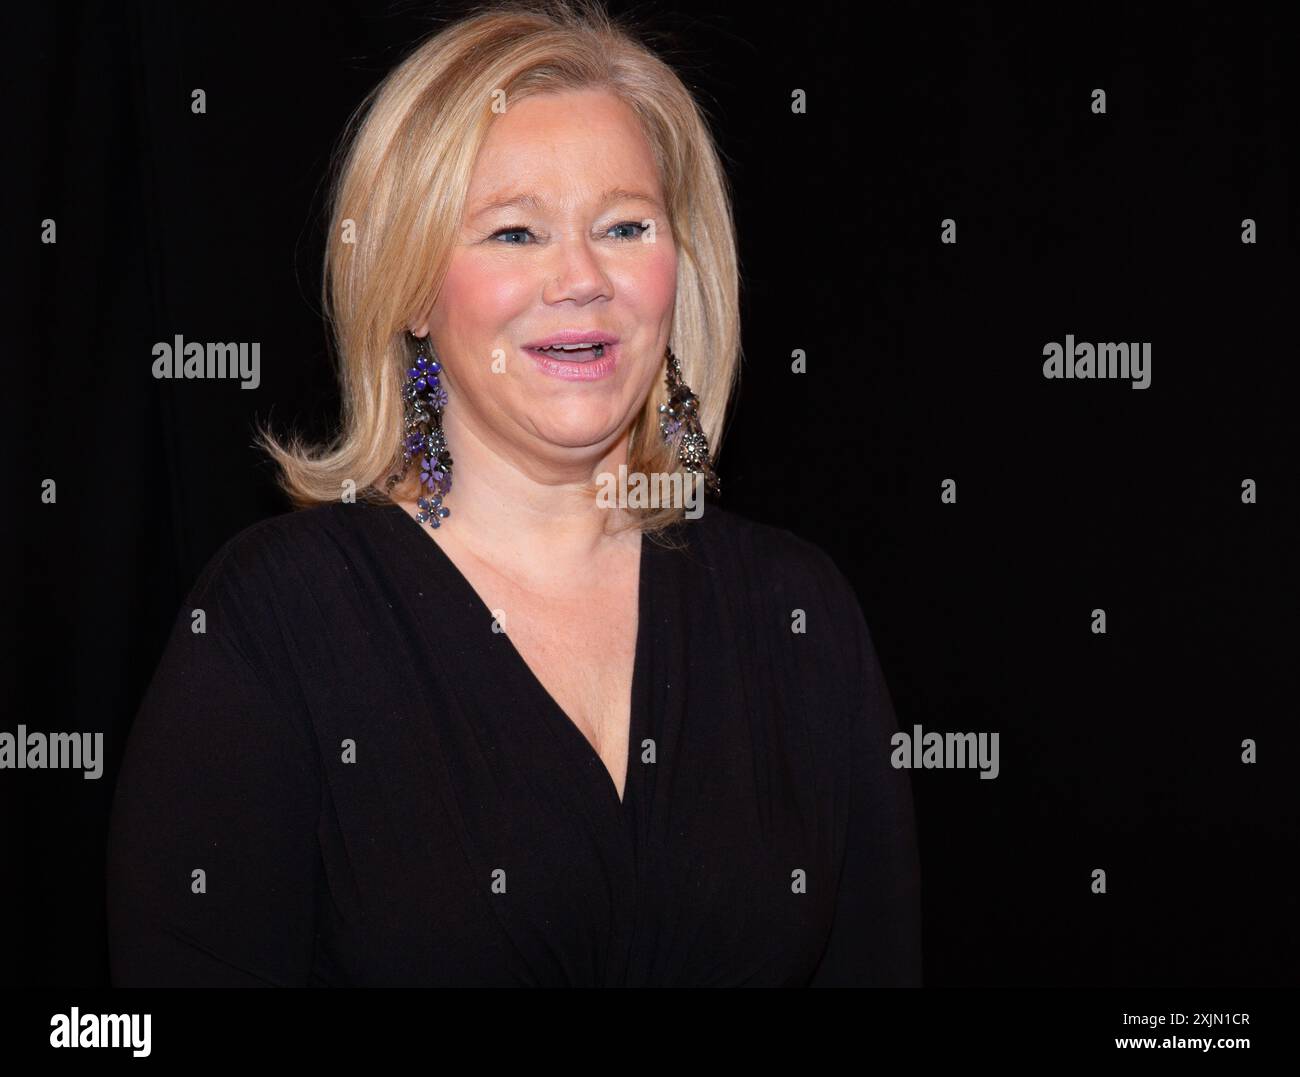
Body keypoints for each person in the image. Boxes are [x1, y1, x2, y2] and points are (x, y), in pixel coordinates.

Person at [105, 0, 921, 987]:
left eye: (624, 225)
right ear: (408, 285)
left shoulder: (798, 615)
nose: (580, 278)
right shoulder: (272, 628)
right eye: (513, 232)